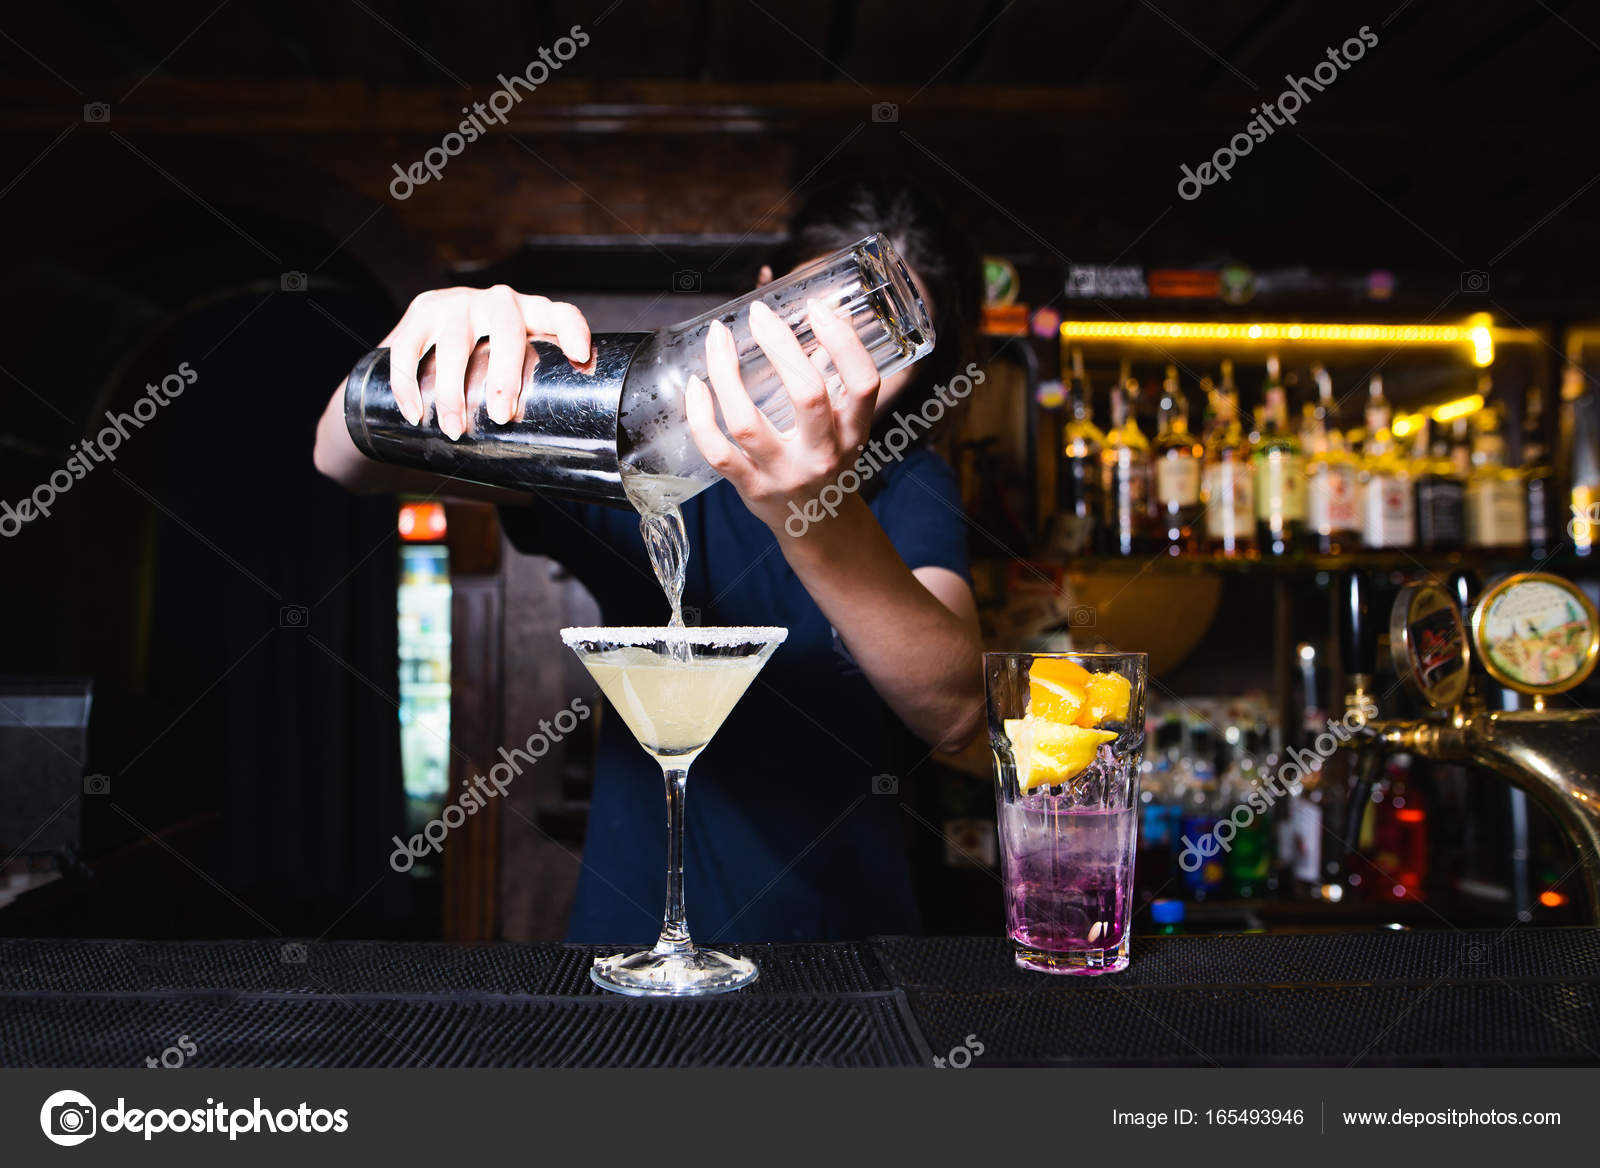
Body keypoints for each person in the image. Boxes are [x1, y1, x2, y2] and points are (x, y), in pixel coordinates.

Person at [314, 177, 985, 942]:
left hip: (848, 959)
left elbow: (957, 710)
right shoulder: (639, 450)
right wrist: (418, 355)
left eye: (876, 348)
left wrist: (811, 512)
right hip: (631, 951)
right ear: (757, 297)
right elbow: (344, 461)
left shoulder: (907, 483)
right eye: (808, 322)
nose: (824, 367)